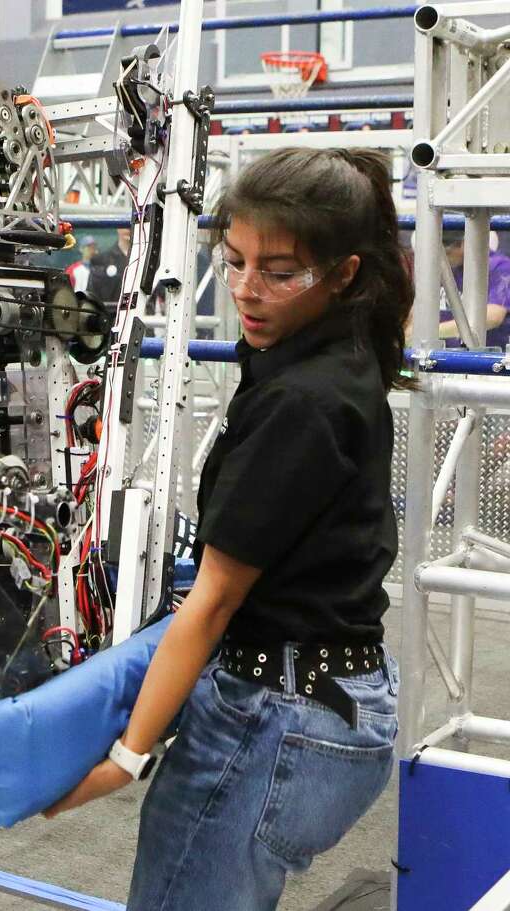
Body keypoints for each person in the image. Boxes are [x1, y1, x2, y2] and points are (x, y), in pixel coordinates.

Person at [45, 148, 412, 910]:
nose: (246, 289)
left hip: (280, 716)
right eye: (235, 259)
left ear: (344, 273)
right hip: (326, 694)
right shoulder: (332, 355)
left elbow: (211, 600)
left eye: (279, 271)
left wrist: (126, 756)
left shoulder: (303, 402)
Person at [437, 229, 510, 350]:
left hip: (489, 359)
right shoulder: (442, 267)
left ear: (466, 243)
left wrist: (431, 332)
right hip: (447, 357)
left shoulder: (500, 266)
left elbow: (493, 316)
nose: (444, 258)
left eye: (448, 253)